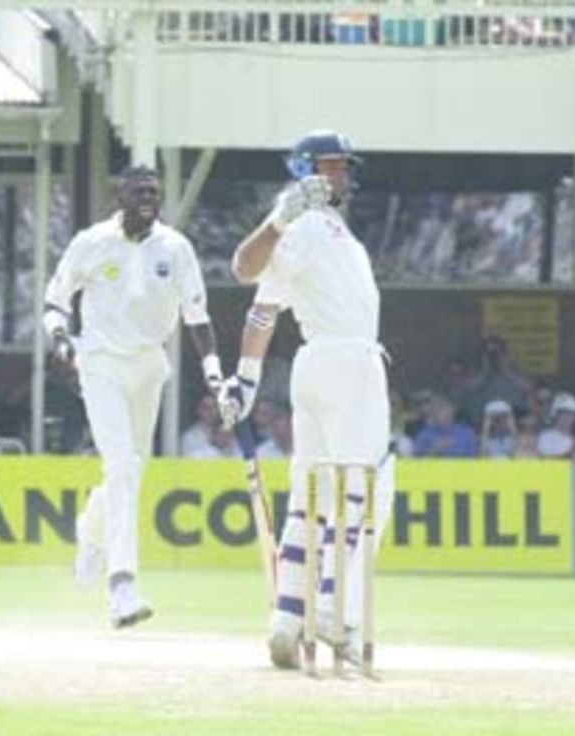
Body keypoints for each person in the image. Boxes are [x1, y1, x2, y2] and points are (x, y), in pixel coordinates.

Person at [218, 130, 395, 669]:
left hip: (315, 366)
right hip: (347, 364)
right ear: (303, 170)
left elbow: (263, 308)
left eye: (345, 167)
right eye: (330, 167)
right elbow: (243, 269)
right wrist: (278, 218)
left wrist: (246, 378)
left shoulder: (324, 232)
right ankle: (330, 611)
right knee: (364, 489)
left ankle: (287, 618)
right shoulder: (305, 223)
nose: (341, 175)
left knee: (309, 498)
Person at [43, 165, 223, 628]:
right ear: (119, 194)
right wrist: (60, 337)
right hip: (101, 361)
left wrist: (213, 372)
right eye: (139, 191)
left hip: (149, 365)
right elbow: (55, 300)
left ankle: (91, 535)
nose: (148, 198)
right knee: (120, 465)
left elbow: (197, 316)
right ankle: (122, 586)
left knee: (130, 471)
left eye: (154, 192)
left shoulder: (175, 248)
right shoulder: (92, 241)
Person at [413, 395, 479, 458]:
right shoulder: (424, 436)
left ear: (453, 410)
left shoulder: (466, 433)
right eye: (435, 409)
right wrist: (434, 451)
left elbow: (473, 461)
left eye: (442, 408)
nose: (437, 412)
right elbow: (416, 466)